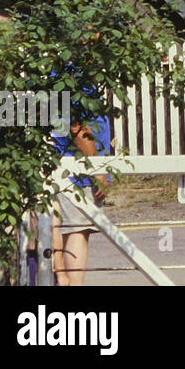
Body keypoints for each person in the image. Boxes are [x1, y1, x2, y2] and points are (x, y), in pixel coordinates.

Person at [51, 118, 112, 287]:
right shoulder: (82, 91)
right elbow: (76, 127)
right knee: (77, 231)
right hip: (76, 175)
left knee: (61, 232)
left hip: (64, 171)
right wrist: (97, 168)